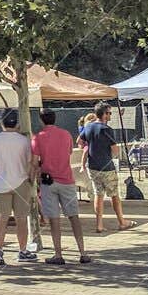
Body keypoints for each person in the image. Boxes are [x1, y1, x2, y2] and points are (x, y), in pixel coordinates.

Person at [32, 109, 88, 266]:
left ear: (41, 120)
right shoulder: (66, 135)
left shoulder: (38, 137)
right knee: (73, 217)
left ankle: (58, 254)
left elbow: (35, 161)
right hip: (67, 180)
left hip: (48, 182)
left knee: (54, 219)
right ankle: (83, 252)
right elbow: (68, 152)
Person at [0, 109, 36, 267]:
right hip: (21, 182)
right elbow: (30, 162)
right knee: (21, 219)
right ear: (17, 123)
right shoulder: (24, 141)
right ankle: (23, 250)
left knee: (1, 218)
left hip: (0, 184)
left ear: (1, 122)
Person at [79, 103, 131, 233]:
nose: (110, 115)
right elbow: (115, 149)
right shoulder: (106, 129)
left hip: (93, 166)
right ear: (104, 114)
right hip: (106, 166)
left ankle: (99, 225)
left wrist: (91, 147)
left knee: (98, 194)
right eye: (109, 113)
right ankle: (122, 222)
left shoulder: (88, 127)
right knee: (114, 195)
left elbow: (79, 142)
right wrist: (109, 153)